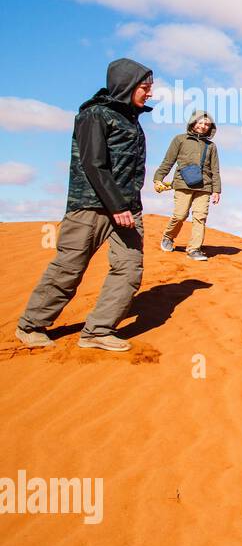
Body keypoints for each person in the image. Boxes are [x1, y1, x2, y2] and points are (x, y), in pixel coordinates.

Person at [15, 58, 153, 352]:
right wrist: (117, 205)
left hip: (128, 210)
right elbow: (94, 164)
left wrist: (129, 205)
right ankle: (31, 325)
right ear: (127, 85)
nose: (149, 93)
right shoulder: (95, 115)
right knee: (69, 268)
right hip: (90, 207)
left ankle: (98, 330)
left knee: (129, 270)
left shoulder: (131, 119)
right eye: (145, 87)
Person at [154, 110, 222, 260]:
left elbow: (215, 169)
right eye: (200, 122)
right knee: (180, 215)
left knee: (200, 217)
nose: (203, 126)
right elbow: (168, 161)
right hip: (183, 183)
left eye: (207, 124)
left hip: (204, 186)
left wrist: (217, 190)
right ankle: (168, 236)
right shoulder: (180, 140)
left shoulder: (211, 146)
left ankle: (194, 249)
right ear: (193, 122)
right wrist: (158, 178)